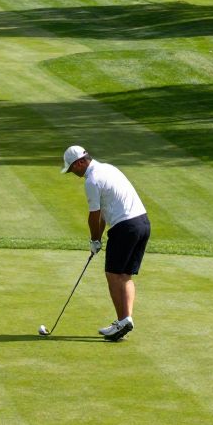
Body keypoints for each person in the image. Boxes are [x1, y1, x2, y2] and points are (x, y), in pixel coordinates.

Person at [61, 145, 150, 341]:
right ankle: (126, 319)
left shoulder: (92, 180)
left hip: (125, 227)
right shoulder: (109, 168)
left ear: (80, 162)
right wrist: (97, 239)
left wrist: (94, 240)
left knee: (113, 274)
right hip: (142, 223)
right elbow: (102, 213)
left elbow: (94, 215)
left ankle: (122, 321)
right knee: (125, 275)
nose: (72, 172)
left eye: (72, 168)